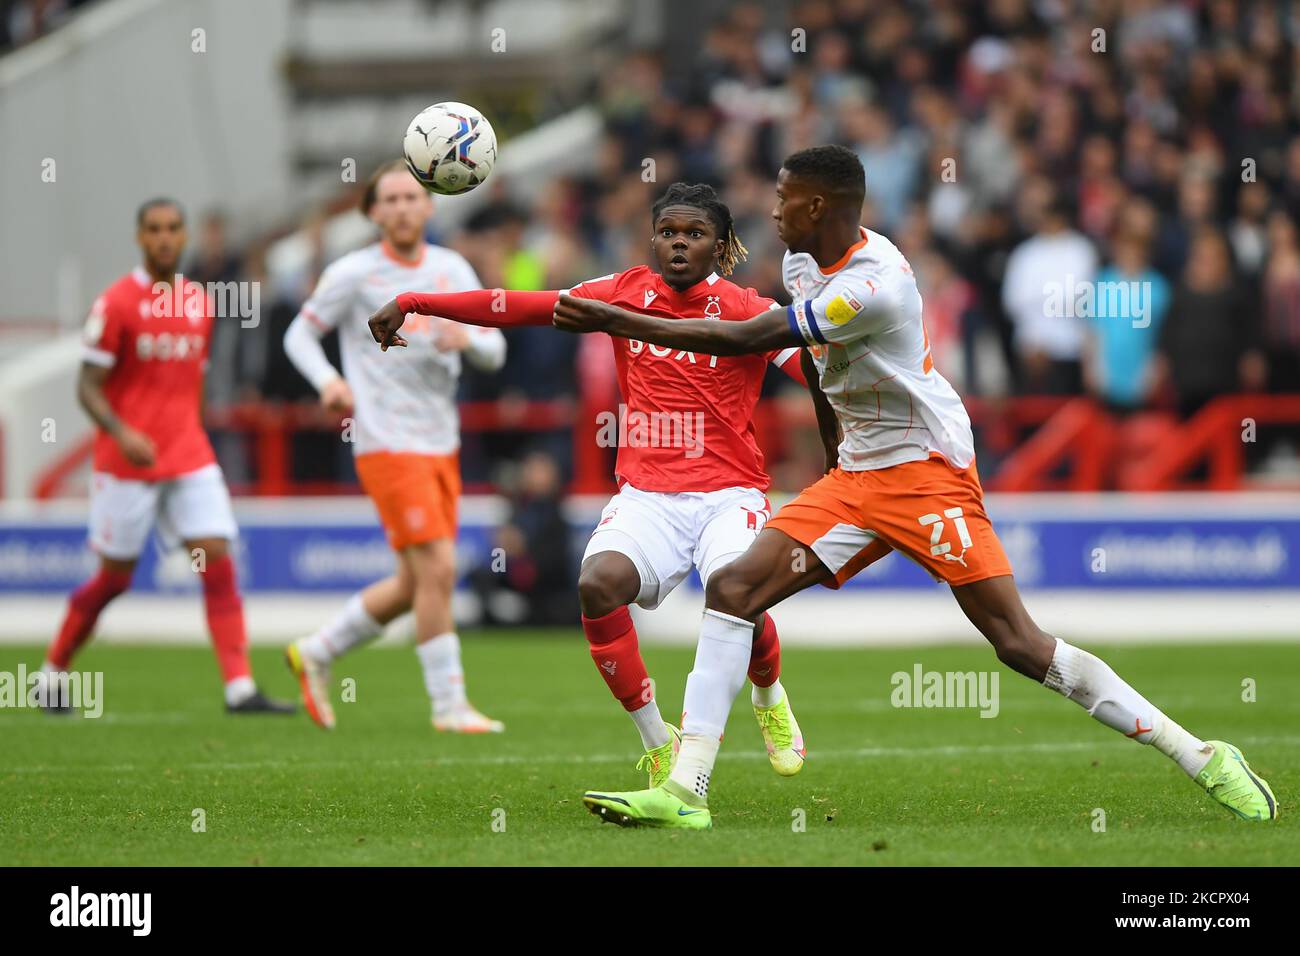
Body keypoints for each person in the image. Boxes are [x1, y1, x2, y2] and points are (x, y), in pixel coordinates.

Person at [552, 145, 1277, 829]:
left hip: (926, 476)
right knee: (736, 589)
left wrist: (612, 317)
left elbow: (748, 341)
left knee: (1019, 645)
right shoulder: (804, 263)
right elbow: (820, 376)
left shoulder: (875, 286)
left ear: (822, 206)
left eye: (784, 198)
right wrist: (835, 456)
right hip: (859, 476)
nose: (771, 210)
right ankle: (688, 789)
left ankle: (1202, 754)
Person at [367, 182, 811, 786]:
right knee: (597, 585)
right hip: (647, 494)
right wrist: (418, 301)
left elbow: (816, 369)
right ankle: (659, 742)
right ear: (653, 238)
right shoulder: (621, 293)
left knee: (737, 593)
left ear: (721, 245)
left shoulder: (747, 310)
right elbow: (513, 305)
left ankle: (769, 697)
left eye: (695, 234)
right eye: (668, 233)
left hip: (729, 493)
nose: (679, 244)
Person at [41, 199, 294, 715]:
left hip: (188, 457)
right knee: (115, 579)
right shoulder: (115, 303)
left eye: (173, 229)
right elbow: (87, 389)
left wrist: (192, 432)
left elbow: (192, 382)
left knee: (217, 560)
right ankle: (52, 672)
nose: (163, 238)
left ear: (183, 239)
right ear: (140, 237)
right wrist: (122, 431)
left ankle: (239, 687)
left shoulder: (199, 302)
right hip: (126, 463)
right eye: (154, 229)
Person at [282, 161, 506, 734]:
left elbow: (496, 346)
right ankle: (448, 704)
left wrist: (470, 341)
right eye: (392, 199)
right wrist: (330, 382)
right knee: (439, 567)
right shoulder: (353, 273)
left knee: (416, 585)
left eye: (413, 197)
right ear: (373, 213)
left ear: (430, 207)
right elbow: (299, 333)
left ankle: (317, 651)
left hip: (440, 441)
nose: (404, 207)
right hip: (385, 439)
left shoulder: (451, 267)